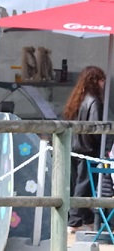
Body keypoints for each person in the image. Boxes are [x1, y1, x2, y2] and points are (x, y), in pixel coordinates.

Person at [64, 65, 106, 232]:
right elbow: (95, 128)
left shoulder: (78, 99)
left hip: (74, 147)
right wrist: (103, 145)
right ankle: (74, 221)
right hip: (88, 149)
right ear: (95, 81)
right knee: (84, 186)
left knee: (77, 184)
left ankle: (85, 218)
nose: (103, 83)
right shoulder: (94, 101)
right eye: (101, 79)